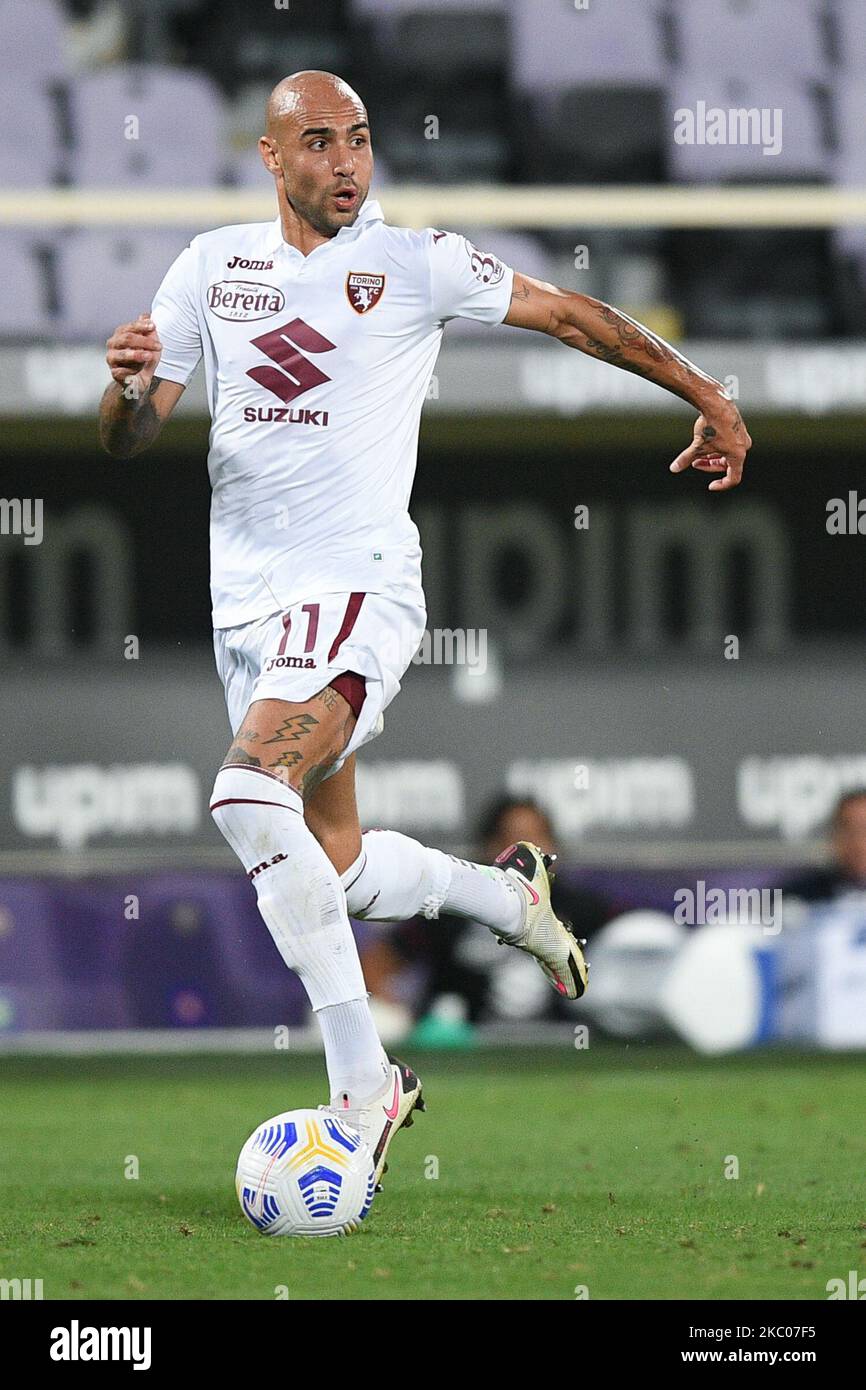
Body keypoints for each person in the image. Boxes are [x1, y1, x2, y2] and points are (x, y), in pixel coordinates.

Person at [97, 70, 751, 1187]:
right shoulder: (211, 267)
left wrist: (707, 394)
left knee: (246, 793)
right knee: (334, 869)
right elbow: (130, 433)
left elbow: (573, 317)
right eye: (318, 143)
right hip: (245, 608)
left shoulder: (414, 262)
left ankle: (364, 1085)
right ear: (270, 157)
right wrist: (121, 386)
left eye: (358, 139)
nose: (346, 162)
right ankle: (507, 896)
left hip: (358, 589)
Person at [784, 789, 866, 903]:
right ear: (833, 836)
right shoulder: (798, 896)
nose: (859, 842)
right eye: (849, 830)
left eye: (864, 829)